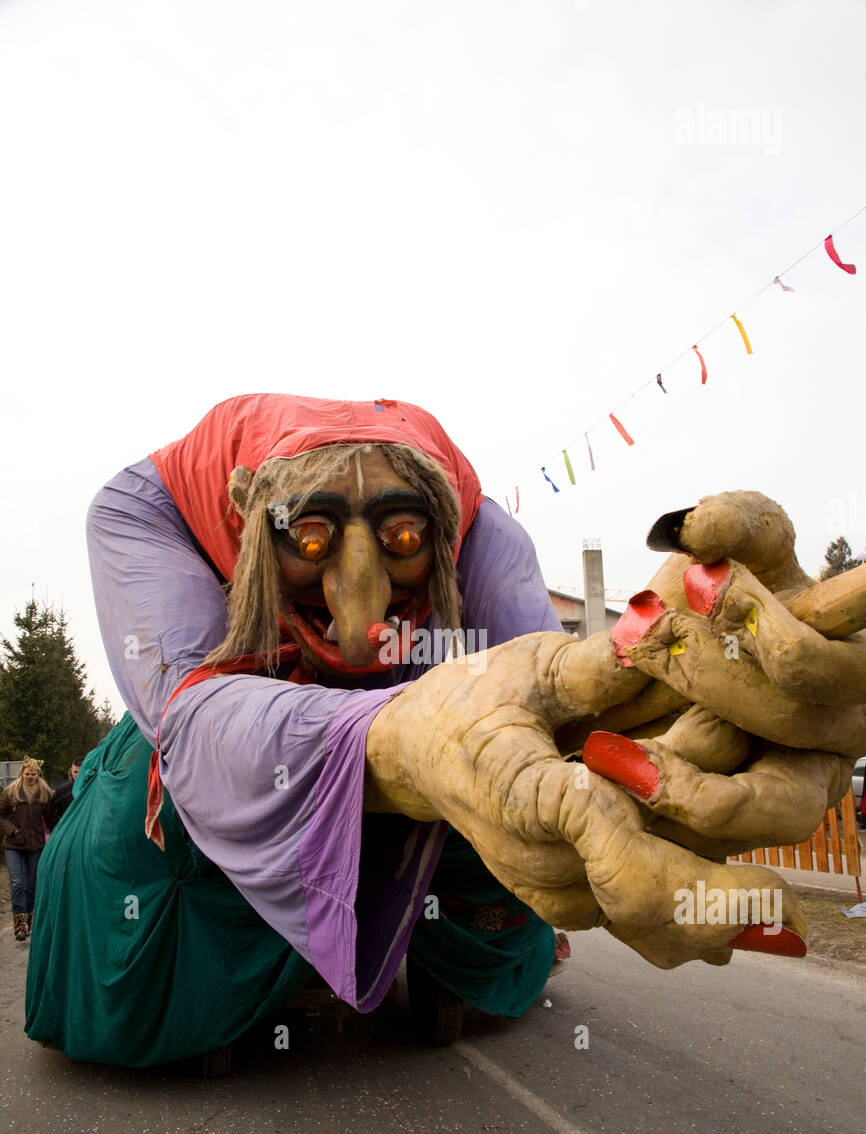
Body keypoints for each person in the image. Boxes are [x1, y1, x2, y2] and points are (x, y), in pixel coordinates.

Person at [24, 394, 863, 1065]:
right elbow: (195, 716)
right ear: (247, 513)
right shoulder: (146, 507)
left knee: (517, 779)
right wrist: (409, 736)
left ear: (443, 524)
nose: (363, 611)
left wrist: (681, 657)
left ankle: (451, 959)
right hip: (242, 743)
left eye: (402, 541)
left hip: (432, 720)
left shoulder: (481, 525)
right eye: (309, 537)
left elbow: (559, 687)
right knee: (136, 807)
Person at [1, 756, 56, 940]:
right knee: (17, 882)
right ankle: (20, 924)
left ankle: (30, 918)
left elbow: (50, 820)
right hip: (14, 844)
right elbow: (1, 816)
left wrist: (57, 834)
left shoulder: (44, 793)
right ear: (22, 774)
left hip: (35, 844)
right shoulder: (11, 793)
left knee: (32, 883)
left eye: (33, 774)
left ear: (38, 775)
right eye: (27, 774)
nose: (30, 777)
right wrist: (12, 831)